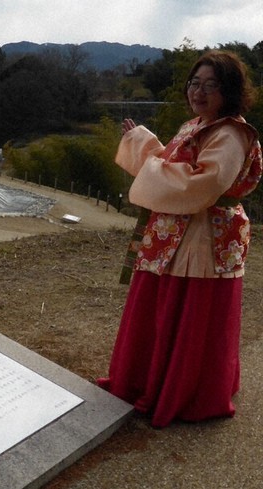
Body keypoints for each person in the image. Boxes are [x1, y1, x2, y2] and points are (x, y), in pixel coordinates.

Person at [97, 50, 262, 428]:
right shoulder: (195, 126)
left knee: (188, 314)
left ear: (230, 91)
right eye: (194, 83)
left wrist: (154, 163)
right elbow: (170, 168)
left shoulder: (232, 133)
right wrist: (141, 142)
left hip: (204, 235)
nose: (198, 92)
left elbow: (201, 184)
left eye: (210, 86)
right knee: (163, 310)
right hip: (175, 231)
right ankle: (150, 381)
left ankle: (185, 392)